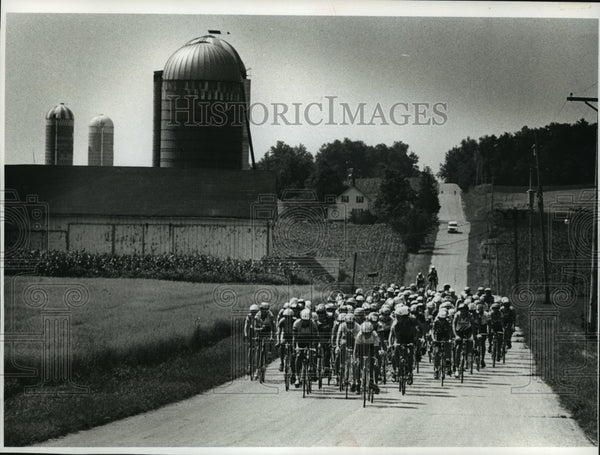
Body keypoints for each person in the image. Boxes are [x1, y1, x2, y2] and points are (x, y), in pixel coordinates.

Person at [389, 306, 418, 383]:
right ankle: (395, 370)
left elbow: (416, 333)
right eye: (396, 316)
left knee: (410, 353)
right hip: (399, 338)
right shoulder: (396, 325)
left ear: (405, 317)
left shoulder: (412, 322)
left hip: (409, 338)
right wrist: (394, 345)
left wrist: (414, 342)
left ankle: (409, 372)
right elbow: (395, 336)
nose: (396, 318)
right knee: (395, 351)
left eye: (398, 316)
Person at [353, 321, 383, 394]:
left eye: (368, 334)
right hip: (361, 347)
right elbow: (356, 350)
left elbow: (376, 349)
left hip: (372, 347)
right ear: (362, 332)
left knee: (374, 364)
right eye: (364, 334)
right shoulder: (359, 335)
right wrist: (355, 359)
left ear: (371, 332)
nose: (366, 335)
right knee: (358, 364)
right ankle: (358, 382)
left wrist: (375, 358)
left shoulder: (374, 335)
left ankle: (373, 381)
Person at [293, 308, 319, 387]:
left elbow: (316, 337)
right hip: (300, 340)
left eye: (307, 321)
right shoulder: (296, 323)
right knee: (298, 357)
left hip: (310, 340)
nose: (305, 322)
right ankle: (297, 377)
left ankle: (312, 368)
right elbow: (294, 338)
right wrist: (295, 348)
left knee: (313, 354)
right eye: (304, 320)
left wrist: (315, 348)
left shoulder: (313, 324)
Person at [336, 312, 361, 391]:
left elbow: (359, 340)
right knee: (341, 347)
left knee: (355, 362)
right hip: (345, 341)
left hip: (355, 342)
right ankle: (340, 366)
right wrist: (337, 346)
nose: (350, 325)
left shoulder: (358, 327)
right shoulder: (342, 326)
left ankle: (355, 380)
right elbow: (338, 336)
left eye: (351, 324)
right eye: (348, 324)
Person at [254, 302, 276, 379]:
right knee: (258, 349)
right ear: (260, 309)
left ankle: (269, 354)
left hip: (268, 331)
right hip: (260, 331)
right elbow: (254, 328)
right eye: (263, 309)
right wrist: (259, 330)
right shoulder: (257, 316)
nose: (264, 311)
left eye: (266, 309)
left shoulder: (270, 315)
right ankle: (257, 369)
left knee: (269, 342)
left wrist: (272, 336)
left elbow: (273, 327)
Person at [452, 302, 473, 378]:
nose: (463, 312)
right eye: (461, 310)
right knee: (457, 348)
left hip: (468, 331)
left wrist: (473, 335)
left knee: (470, 342)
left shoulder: (470, 315)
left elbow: (473, 326)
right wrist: (456, 335)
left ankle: (469, 358)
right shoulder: (457, 315)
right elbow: (453, 326)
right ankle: (457, 368)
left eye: (464, 310)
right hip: (459, 331)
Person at [431, 309, 453, 378]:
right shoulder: (436, 322)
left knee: (447, 347)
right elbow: (433, 331)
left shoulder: (448, 323)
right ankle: (436, 369)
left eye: (443, 319)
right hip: (438, 336)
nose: (442, 321)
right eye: (441, 319)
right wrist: (434, 339)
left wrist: (449, 339)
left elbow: (450, 332)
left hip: (445, 335)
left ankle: (448, 362)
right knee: (437, 352)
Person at [276, 308, 296, 377]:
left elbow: (296, 332)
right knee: (282, 345)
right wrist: (278, 341)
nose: (287, 319)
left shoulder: (294, 321)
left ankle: (293, 364)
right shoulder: (282, 321)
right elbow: (279, 332)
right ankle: (282, 363)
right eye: (286, 317)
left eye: (289, 317)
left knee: (294, 350)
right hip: (285, 335)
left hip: (292, 335)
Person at [315, 304, 334, 376]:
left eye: (322, 314)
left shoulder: (329, 318)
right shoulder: (314, 318)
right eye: (319, 314)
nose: (320, 316)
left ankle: (326, 366)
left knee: (327, 349)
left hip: (326, 335)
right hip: (318, 335)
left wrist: (331, 339)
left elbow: (332, 329)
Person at [471, 303, 490, 367]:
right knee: (474, 342)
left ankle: (482, 359)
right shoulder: (474, 315)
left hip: (483, 327)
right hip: (475, 327)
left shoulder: (486, 314)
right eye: (478, 311)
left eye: (481, 311)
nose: (480, 313)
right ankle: (475, 352)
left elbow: (488, 324)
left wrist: (489, 332)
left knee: (483, 343)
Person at [244, 303, 260, 375]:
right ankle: (250, 366)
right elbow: (246, 326)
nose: (253, 314)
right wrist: (246, 335)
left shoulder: (260, 316)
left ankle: (258, 367)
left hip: (258, 330)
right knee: (250, 348)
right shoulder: (249, 316)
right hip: (252, 331)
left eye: (255, 312)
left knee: (258, 349)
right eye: (252, 312)